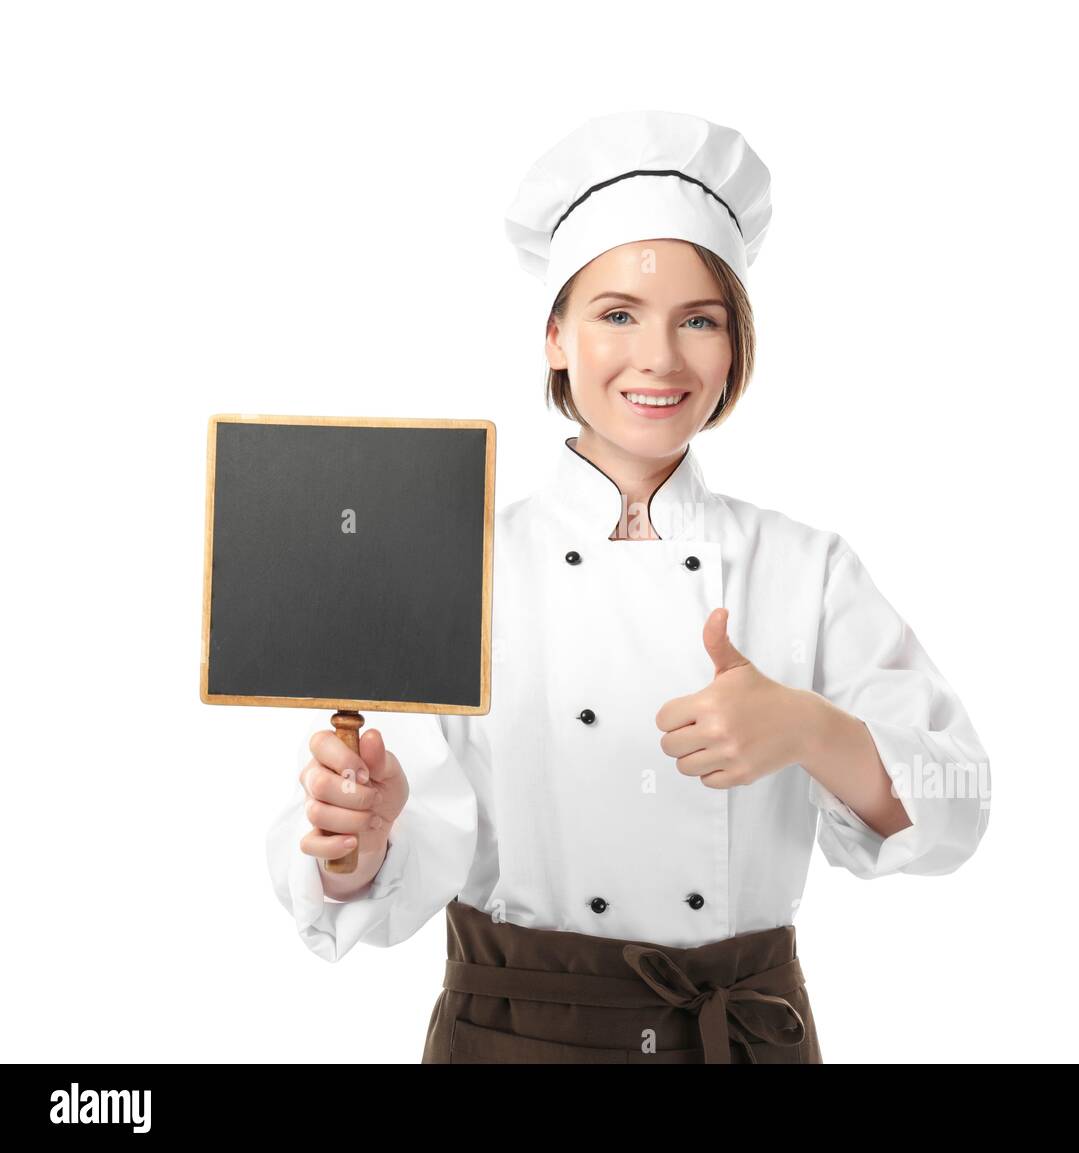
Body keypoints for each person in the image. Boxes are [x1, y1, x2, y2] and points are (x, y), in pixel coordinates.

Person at [265, 110, 992, 1064]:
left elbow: (958, 798)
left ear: (734, 347)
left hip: (737, 1035)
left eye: (699, 319)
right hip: (516, 1038)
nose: (660, 357)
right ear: (557, 335)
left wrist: (812, 729)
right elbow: (376, 861)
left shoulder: (805, 567)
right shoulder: (456, 563)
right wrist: (356, 840)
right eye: (618, 315)